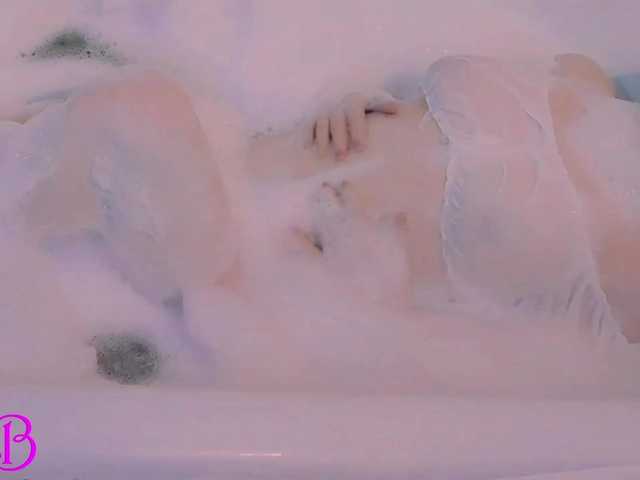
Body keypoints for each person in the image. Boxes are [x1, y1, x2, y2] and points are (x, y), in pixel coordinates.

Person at [3, 53, 638, 344]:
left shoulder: (617, 282)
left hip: (222, 265)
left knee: (139, 114)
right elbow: (573, 71)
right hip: (234, 150)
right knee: (127, 116)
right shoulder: (592, 97)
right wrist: (360, 98)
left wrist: (354, 253)